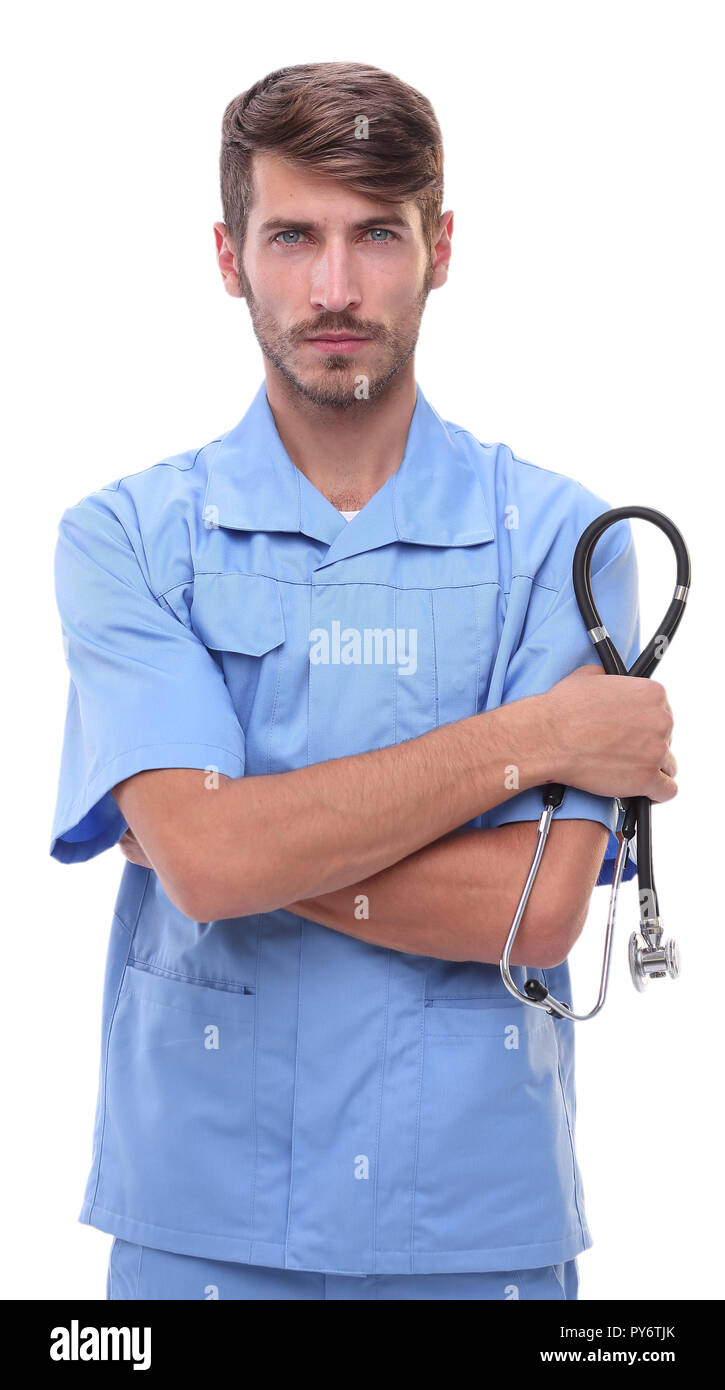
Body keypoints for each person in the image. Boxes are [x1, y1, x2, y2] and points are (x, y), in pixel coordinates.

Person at [49, 61, 677, 1302]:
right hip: (198, 1232)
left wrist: (223, 840)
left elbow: (532, 914)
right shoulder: (125, 537)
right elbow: (211, 866)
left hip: (475, 1229)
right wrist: (532, 737)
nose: (334, 289)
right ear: (228, 256)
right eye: (292, 236)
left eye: (374, 236)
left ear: (439, 248)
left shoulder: (571, 545)